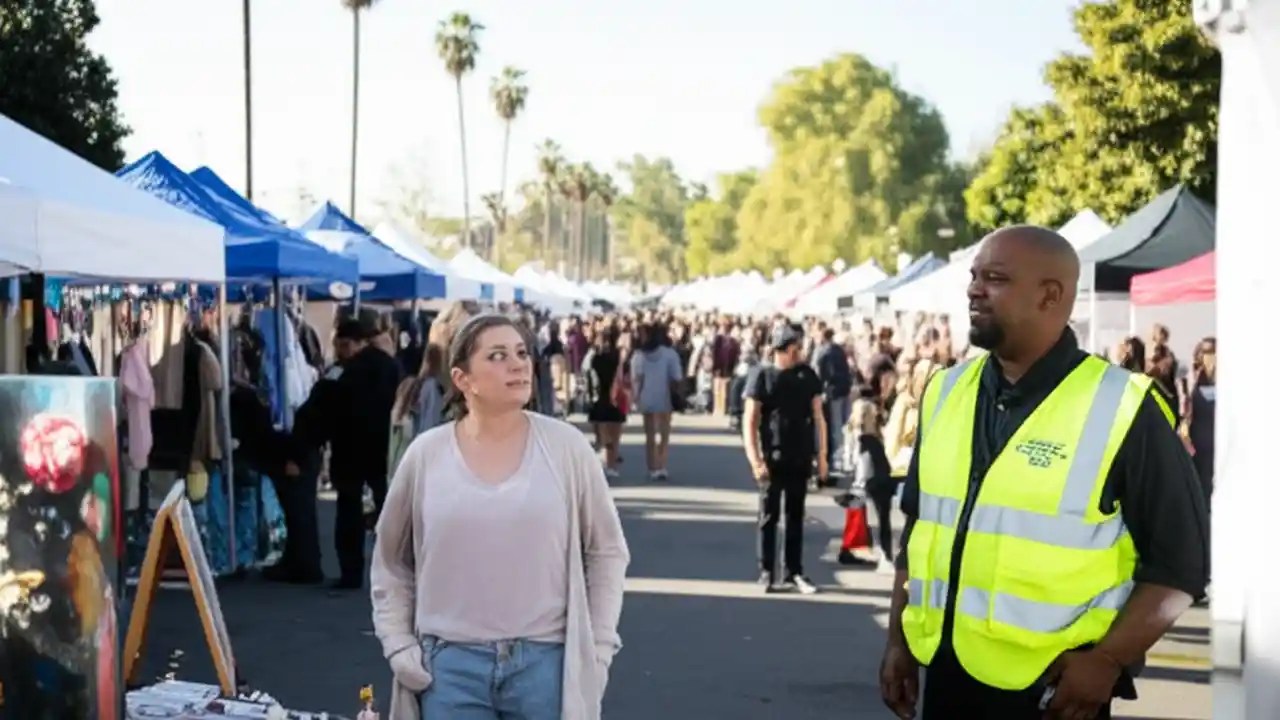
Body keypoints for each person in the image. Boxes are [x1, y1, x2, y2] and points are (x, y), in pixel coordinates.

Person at [879, 226, 1209, 720]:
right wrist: (898, 641)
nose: (973, 289)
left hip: (1057, 694)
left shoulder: (1124, 407)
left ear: (1050, 296)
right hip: (946, 680)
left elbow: (1181, 564)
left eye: (994, 278)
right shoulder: (945, 392)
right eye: (973, 276)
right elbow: (918, 532)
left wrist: (1107, 659)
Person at [370, 314, 630, 720]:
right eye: (498, 355)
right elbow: (390, 561)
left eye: (522, 353)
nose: (518, 364)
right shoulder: (426, 455)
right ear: (463, 379)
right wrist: (399, 643)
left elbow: (607, 552)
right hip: (449, 669)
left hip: (546, 665)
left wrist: (597, 649)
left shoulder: (566, 449)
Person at [288, 316, 403, 590]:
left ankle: (352, 573)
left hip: (348, 450)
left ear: (359, 342)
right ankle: (399, 572)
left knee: (349, 511)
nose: (340, 349)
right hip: (384, 450)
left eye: (344, 344)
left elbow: (317, 410)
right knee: (390, 509)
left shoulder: (340, 372)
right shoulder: (390, 366)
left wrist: (302, 447)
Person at [742, 323, 827, 595]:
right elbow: (750, 420)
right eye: (796, 348)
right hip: (772, 457)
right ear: (786, 349)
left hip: (800, 456)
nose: (800, 352)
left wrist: (822, 455)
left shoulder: (807, 376)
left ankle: (794, 571)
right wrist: (755, 459)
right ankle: (767, 571)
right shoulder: (762, 376)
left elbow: (819, 417)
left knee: (795, 516)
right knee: (769, 516)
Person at [632, 322, 683, 481]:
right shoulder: (670, 354)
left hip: (647, 396)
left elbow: (637, 378)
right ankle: (661, 464)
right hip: (665, 396)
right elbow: (677, 377)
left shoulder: (639, 355)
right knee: (664, 434)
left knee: (650, 435)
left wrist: (636, 397)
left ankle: (652, 466)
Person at [585, 327, 626, 478]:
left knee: (602, 437)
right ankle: (612, 465)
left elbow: (589, 375)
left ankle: (602, 461)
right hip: (615, 399)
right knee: (615, 437)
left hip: (599, 399)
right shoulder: (618, 358)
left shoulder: (596, 358)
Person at [813, 327, 854, 473]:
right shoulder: (839, 350)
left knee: (835, 425)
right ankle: (843, 456)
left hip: (833, 391)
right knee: (843, 424)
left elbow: (820, 373)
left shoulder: (824, 352)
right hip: (844, 389)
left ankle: (837, 457)